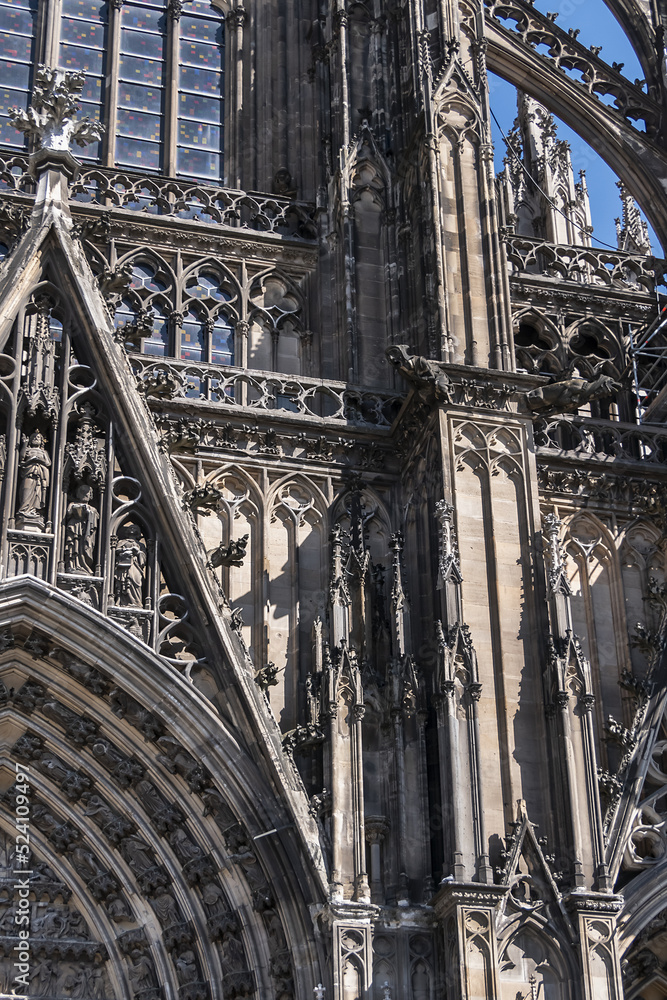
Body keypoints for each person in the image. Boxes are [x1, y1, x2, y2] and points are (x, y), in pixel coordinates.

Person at [17, 429, 50, 523]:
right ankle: (24, 511)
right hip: (29, 474)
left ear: (42, 441)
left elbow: (48, 463)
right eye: (33, 437)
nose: (36, 438)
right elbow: (22, 458)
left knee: (37, 494)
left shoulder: (44, 452)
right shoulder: (28, 450)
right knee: (26, 492)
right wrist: (24, 444)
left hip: (39, 477)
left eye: (38, 437)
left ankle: (34, 511)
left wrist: (40, 461)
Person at [64, 483, 99, 573]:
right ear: (78, 494)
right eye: (82, 492)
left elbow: (95, 519)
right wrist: (74, 509)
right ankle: (72, 565)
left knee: (83, 547)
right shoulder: (72, 504)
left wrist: (88, 512)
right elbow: (68, 513)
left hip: (85, 530)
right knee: (73, 545)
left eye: (87, 493)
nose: (85, 495)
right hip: (74, 527)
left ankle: (83, 565)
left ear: (90, 496)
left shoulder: (92, 509)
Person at [114, 523, 146, 606]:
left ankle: (136, 602)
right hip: (123, 565)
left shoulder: (140, 545)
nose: (132, 529)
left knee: (135, 581)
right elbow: (116, 551)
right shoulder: (122, 542)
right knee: (123, 581)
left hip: (135, 565)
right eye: (130, 528)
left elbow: (144, 557)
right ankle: (121, 601)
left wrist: (138, 552)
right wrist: (126, 550)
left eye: (134, 528)